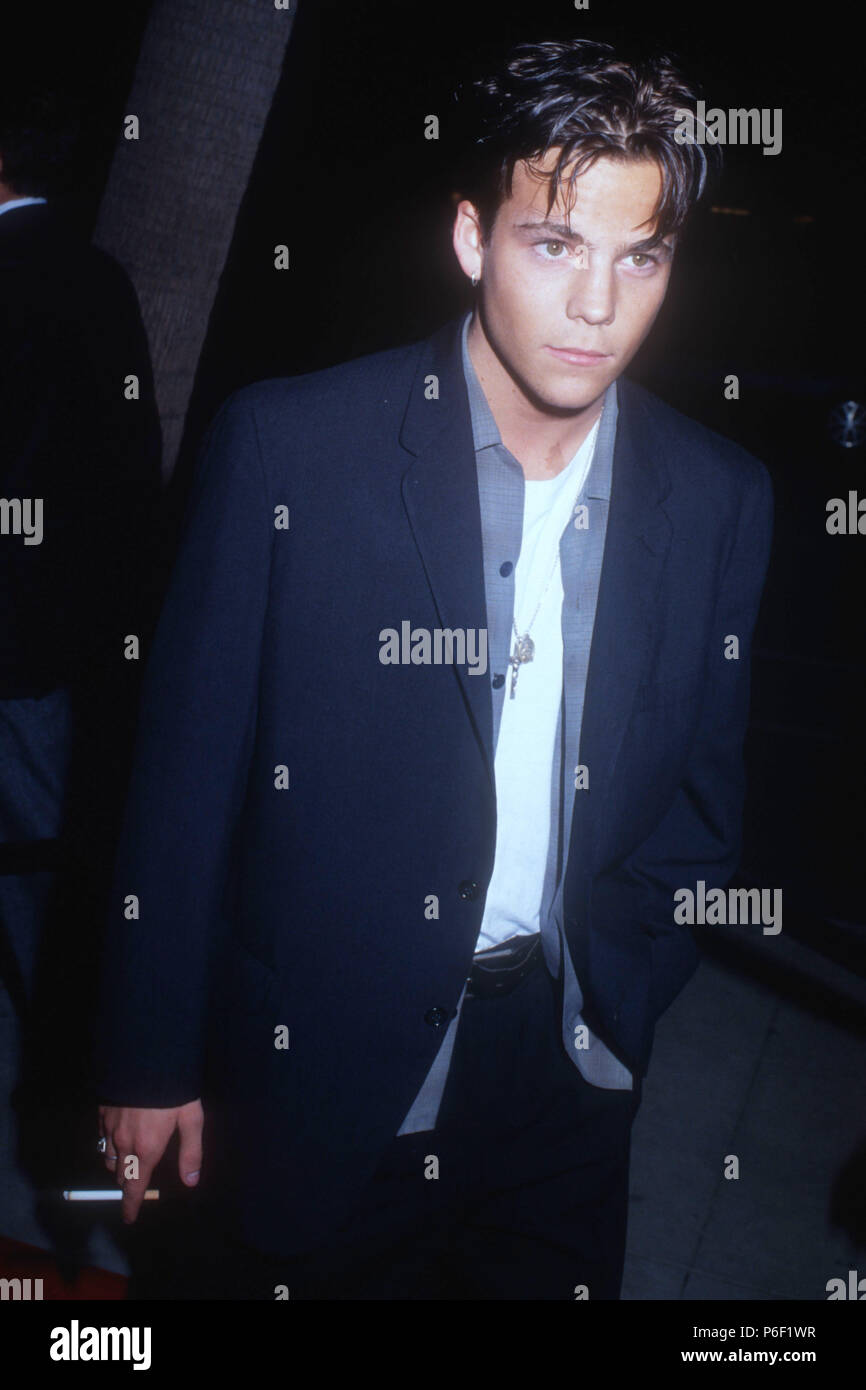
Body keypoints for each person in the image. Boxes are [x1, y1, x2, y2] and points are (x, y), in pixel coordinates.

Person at [94, 38, 773, 1300]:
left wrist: (616, 1007)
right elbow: (183, 781)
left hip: (565, 1064)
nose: (595, 307)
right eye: (553, 243)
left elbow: (703, 804)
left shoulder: (721, 499)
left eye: (642, 256)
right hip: (323, 1050)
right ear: (471, 238)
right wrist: (147, 1053)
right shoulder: (291, 452)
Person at [0, 84, 161, 1225]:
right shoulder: (94, 276)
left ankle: (61, 1197)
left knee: (34, 919)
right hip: (51, 661)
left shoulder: (30, 276)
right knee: (36, 913)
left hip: (20, 664)